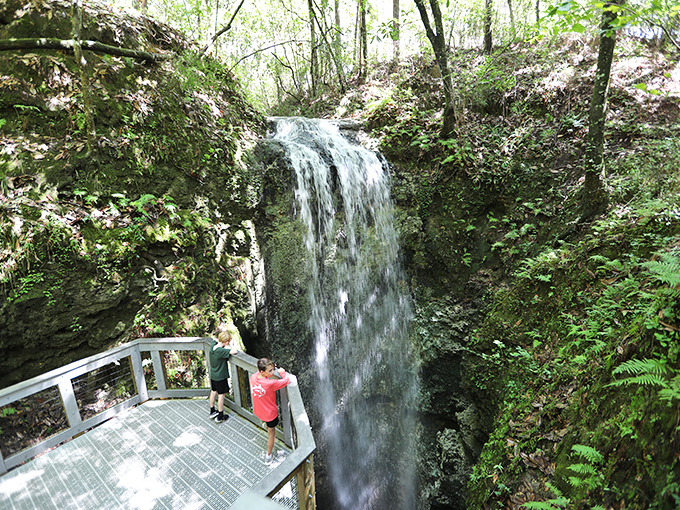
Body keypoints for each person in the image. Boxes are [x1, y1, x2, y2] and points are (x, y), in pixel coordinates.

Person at [249, 358, 290, 461]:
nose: (273, 372)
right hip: (270, 414)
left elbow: (259, 375)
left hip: (259, 410)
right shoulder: (270, 384)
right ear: (262, 372)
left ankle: (265, 424)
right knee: (271, 434)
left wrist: (270, 367)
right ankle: (268, 455)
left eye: (273, 369)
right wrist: (282, 372)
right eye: (270, 370)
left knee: (267, 425)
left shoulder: (253, 377)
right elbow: (286, 381)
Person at [209, 330, 238, 423]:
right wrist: (230, 345)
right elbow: (234, 351)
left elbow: (215, 340)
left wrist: (222, 341)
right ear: (227, 342)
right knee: (221, 395)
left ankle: (212, 410)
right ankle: (220, 415)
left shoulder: (213, 346)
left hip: (213, 375)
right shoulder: (221, 351)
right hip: (220, 377)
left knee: (213, 392)